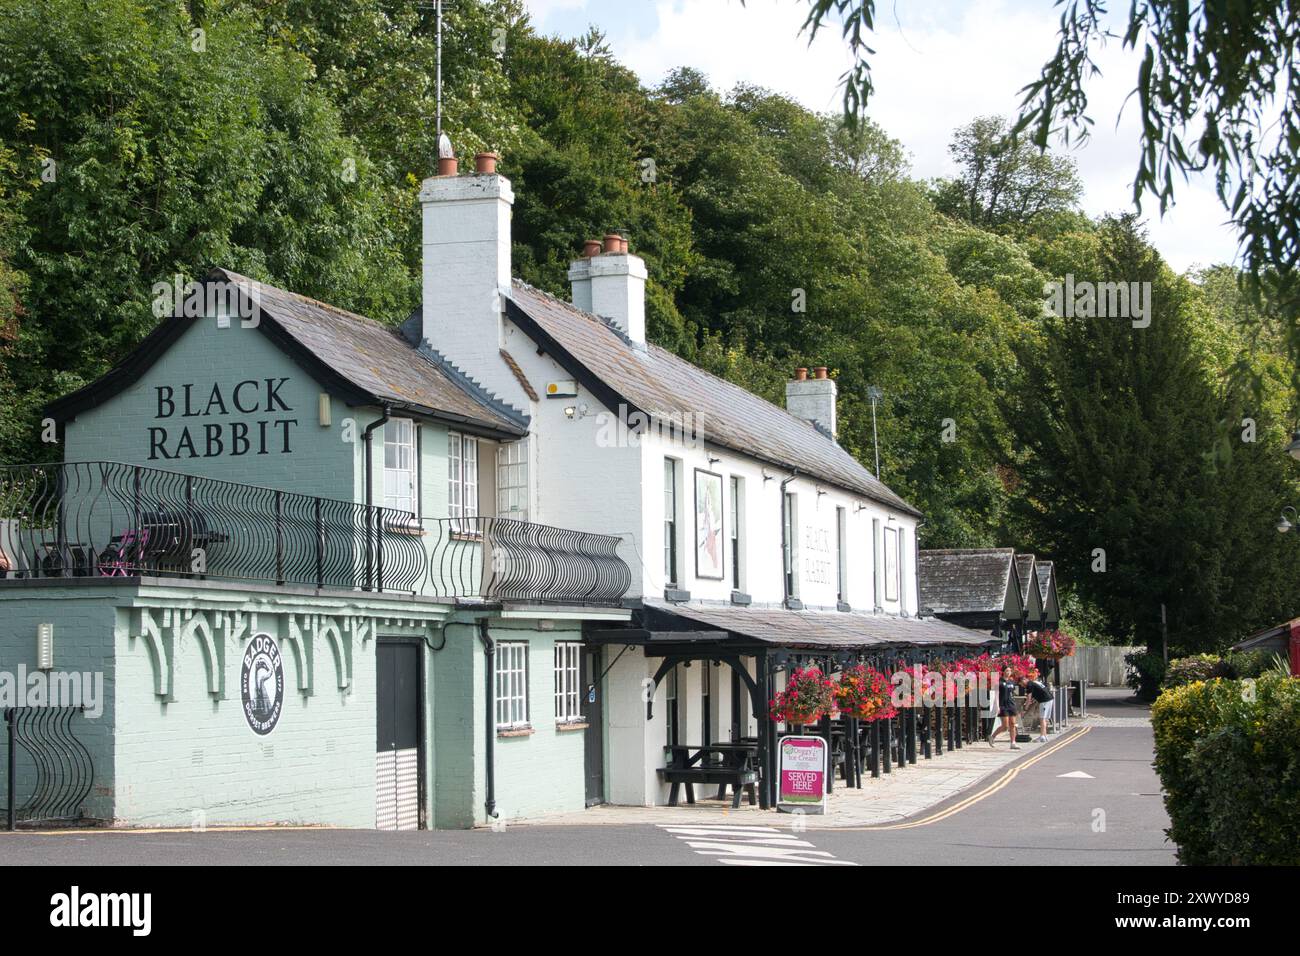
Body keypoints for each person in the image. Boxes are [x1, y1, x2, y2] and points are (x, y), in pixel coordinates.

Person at [987, 665, 1020, 750]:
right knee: (1005, 726)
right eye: (1007, 671)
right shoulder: (999, 682)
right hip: (1003, 705)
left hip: (1011, 705)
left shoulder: (1011, 682)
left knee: (1012, 724)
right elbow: (996, 695)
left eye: (1009, 671)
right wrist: (997, 706)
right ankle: (992, 736)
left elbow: (1012, 694)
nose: (1008, 672)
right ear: (1003, 672)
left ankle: (1013, 743)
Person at [1022, 673, 1055, 742]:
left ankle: (1042, 736)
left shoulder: (1029, 685)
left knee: (1042, 718)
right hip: (1049, 699)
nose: (1022, 685)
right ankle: (1044, 736)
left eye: (1021, 683)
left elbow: (1029, 698)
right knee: (1044, 719)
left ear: (1024, 680)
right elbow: (1035, 696)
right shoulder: (1034, 682)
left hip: (1045, 700)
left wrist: (1025, 709)